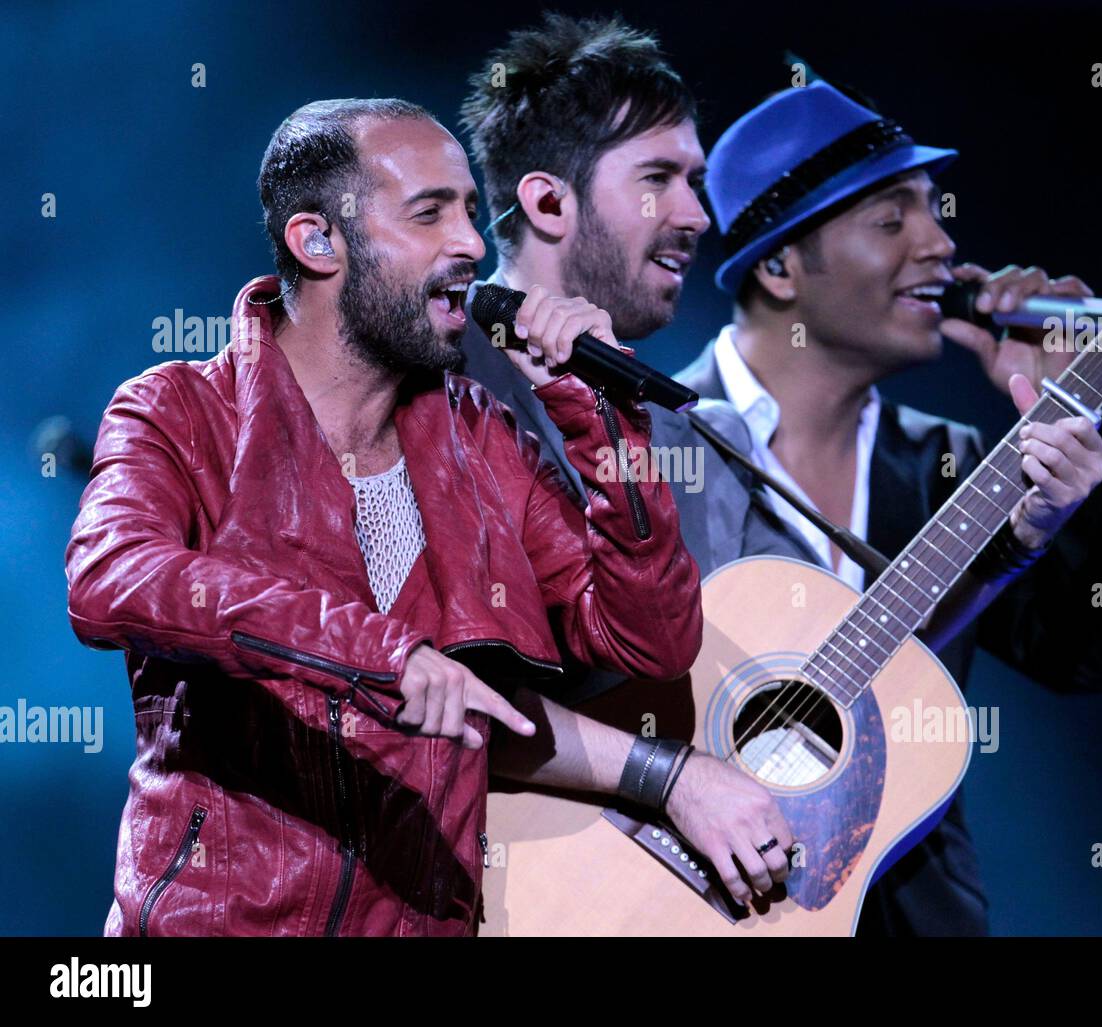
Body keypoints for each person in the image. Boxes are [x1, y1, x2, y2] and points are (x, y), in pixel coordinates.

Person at [456, 14, 1102, 918]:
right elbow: (423, 674)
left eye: (696, 182)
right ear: (780, 268)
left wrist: (1032, 520)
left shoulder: (694, 436)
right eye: (660, 180)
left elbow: (855, 676)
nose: (697, 216)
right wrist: (674, 775)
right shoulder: (443, 383)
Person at [64, 97, 706, 937]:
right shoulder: (180, 409)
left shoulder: (482, 434)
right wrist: (383, 653)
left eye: (473, 211)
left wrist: (603, 416)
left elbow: (648, 639)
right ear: (318, 241)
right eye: (430, 212)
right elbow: (112, 578)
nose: (473, 244)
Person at [687, 77, 1102, 934]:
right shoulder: (643, 446)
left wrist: (1073, 418)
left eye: (934, 211)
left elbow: (1087, 660)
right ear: (780, 267)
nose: (941, 243)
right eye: (893, 220)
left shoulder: (961, 467)